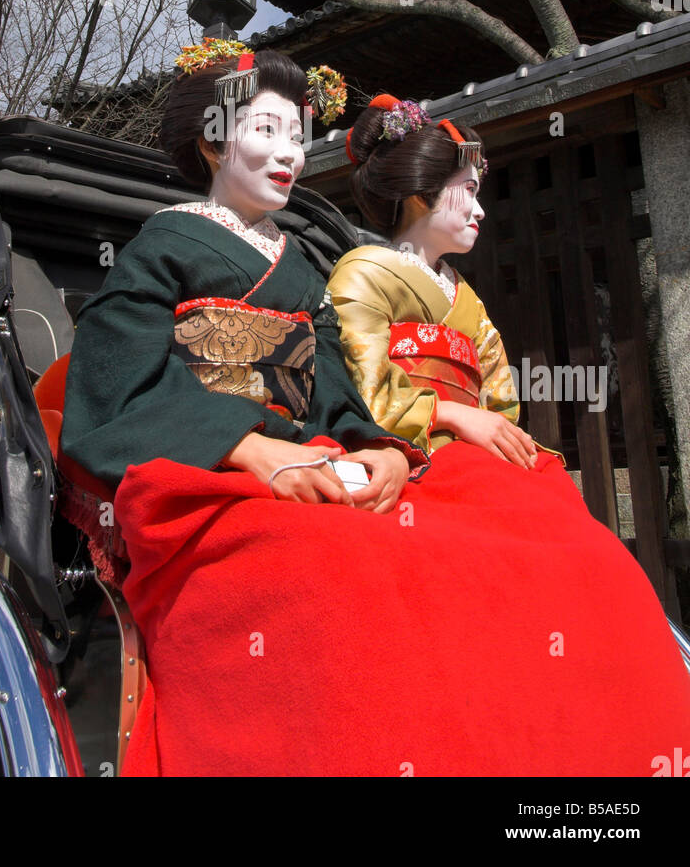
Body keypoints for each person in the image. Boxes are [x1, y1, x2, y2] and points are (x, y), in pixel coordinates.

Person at [61, 45, 426, 776]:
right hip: (202, 474)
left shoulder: (302, 266)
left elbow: (332, 389)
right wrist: (249, 449)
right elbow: (114, 391)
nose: (289, 153)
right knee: (319, 570)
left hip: (306, 468)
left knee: (442, 540)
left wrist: (378, 447)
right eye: (266, 130)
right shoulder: (161, 247)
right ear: (213, 139)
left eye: (298, 135)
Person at [327, 93, 690, 776]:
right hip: (411, 454)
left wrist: (487, 422)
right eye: (467, 192)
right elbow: (364, 386)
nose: (480, 210)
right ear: (417, 194)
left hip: (478, 461)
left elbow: (500, 393)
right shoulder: (360, 275)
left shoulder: (464, 296)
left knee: (585, 554)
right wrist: (453, 414)